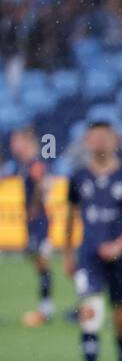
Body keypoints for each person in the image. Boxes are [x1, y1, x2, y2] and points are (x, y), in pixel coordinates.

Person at [63, 121, 122, 361]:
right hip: (89, 255)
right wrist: (67, 253)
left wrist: (121, 244)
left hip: (119, 258)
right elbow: (71, 216)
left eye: (104, 137)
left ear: (114, 140)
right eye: (94, 137)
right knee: (91, 311)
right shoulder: (78, 177)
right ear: (86, 141)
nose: (99, 142)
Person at [10, 127, 55, 325]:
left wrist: (35, 208)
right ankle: (45, 307)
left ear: (26, 142)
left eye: (16, 141)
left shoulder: (35, 163)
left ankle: (45, 310)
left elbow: (42, 183)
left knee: (42, 261)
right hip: (35, 220)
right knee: (39, 262)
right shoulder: (27, 164)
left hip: (39, 221)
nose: (13, 146)